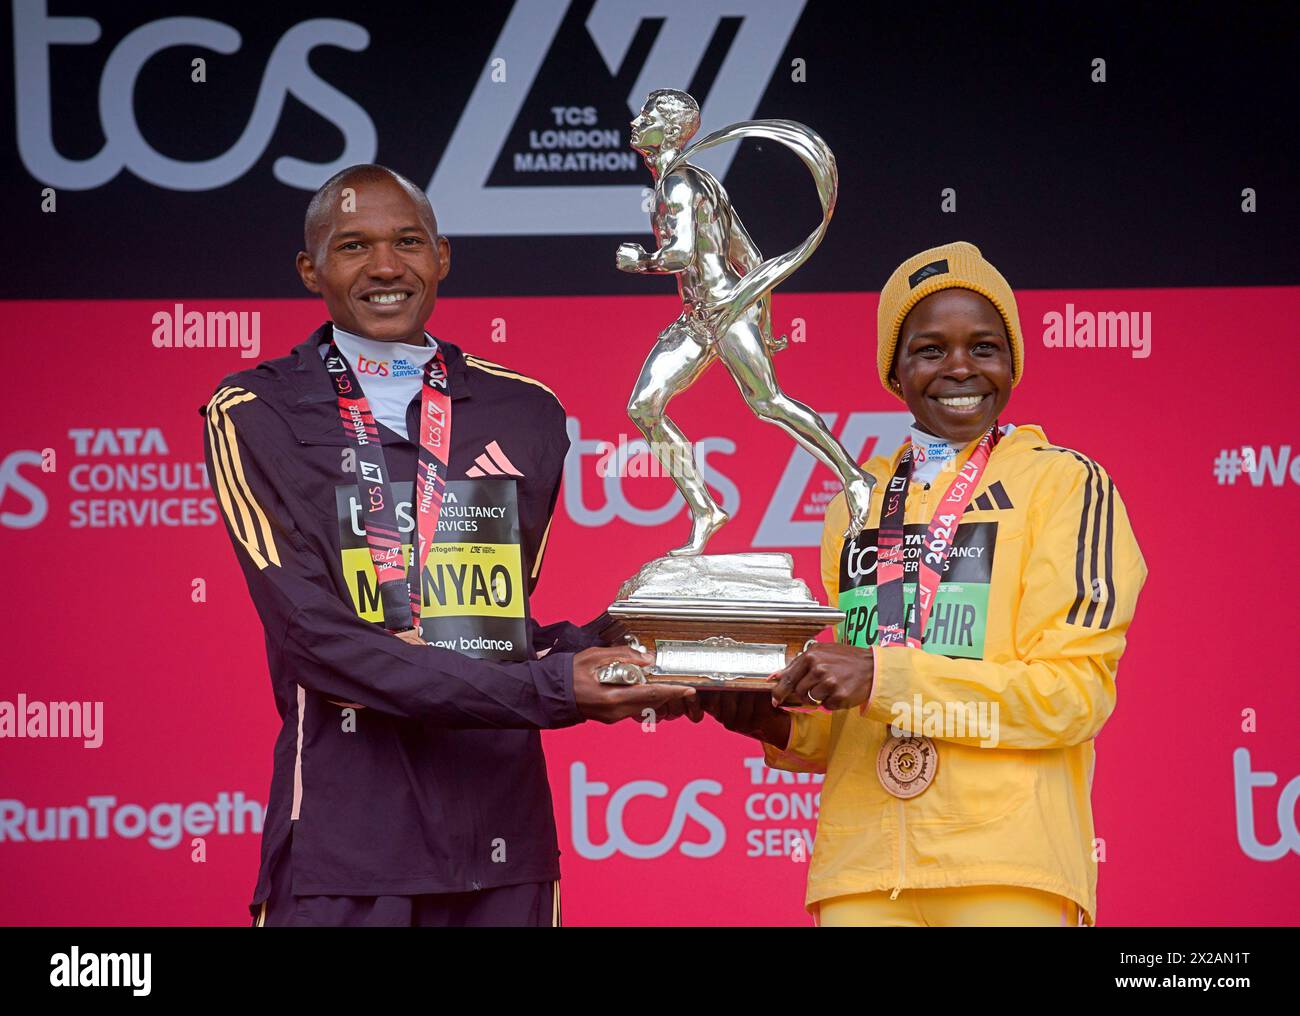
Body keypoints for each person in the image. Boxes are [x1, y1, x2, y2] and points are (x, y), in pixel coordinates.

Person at [202, 164, 692, 927]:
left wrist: (638, 642)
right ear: (310, 269)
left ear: (442, 256)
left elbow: (493, 637)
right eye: (353, 246)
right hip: (344, 846)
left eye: (407, 242)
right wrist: (555, 690)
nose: (385, 267)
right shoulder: (256, 409)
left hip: (502, 842)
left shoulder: (525, 411)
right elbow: (314, 641)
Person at [702, 241, 1147, 926]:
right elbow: (861, 713)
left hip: (1006, 862)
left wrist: (886, 676)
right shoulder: (856, 503)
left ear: (1013, 362)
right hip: (861, 868)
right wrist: (771, 718)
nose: (960, 367)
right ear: (896, 370)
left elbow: (1072, 698)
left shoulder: (1063, 484)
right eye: (930, 350)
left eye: (985, 347)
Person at [617, 88, 873, 555]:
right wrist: (766, 322)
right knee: (644, 407)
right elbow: (751, 257)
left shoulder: (678, 186)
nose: (636, 122)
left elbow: (679, 255)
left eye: (647, 116)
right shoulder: (703, 183)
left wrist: (640, 262)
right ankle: (705, 510)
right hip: (700, 319)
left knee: (768, 402)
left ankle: (854, 477)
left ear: (670, 132)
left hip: (724, 312)